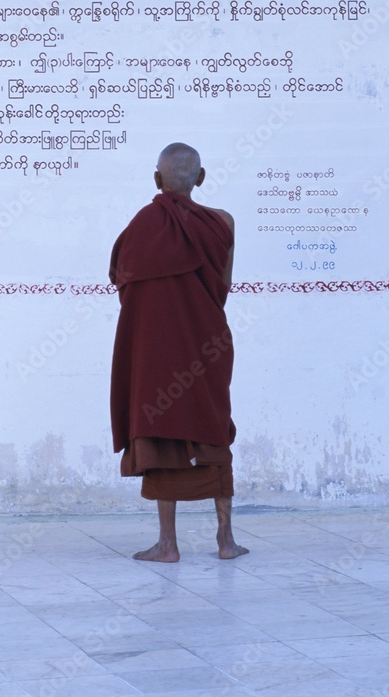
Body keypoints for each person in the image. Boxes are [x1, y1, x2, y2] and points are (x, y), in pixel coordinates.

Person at [109, 142, 248, 563]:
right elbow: (222, 286)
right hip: (208, 345)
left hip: (157, 352)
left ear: (157, 179)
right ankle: (225, 541)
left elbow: (124, 283)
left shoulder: (142, 226)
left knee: (162, 431)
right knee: (212, 426)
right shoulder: (223, 222)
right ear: (200, 178)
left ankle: (167, 545)